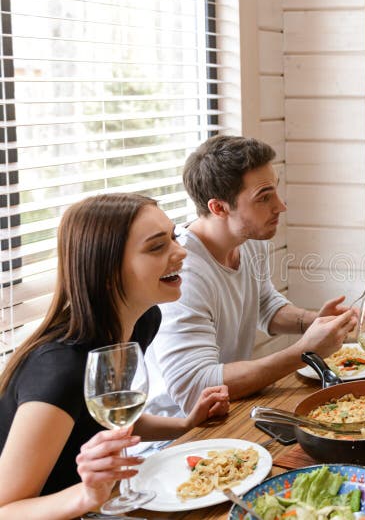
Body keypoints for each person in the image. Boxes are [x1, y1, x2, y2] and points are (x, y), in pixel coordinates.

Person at [0, 194, 229, 519]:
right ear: (107, 272)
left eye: (174, 237)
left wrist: (185, 424)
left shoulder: (143, 321)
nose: (181, 251)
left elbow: (110, 417)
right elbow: (6, 509)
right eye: (156, 246)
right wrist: (86, 495)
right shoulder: (59, 368)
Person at [145, 135, 357, 418]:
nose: (280, 206)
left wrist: (314, 322)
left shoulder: (249, 238)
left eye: (276, 192)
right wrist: (303, 351)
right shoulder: (183, 274)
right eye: (264, 197)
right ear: (218, 208)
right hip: (182, 432)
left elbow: (265, 305)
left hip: (234, 408)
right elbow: (194, 387)